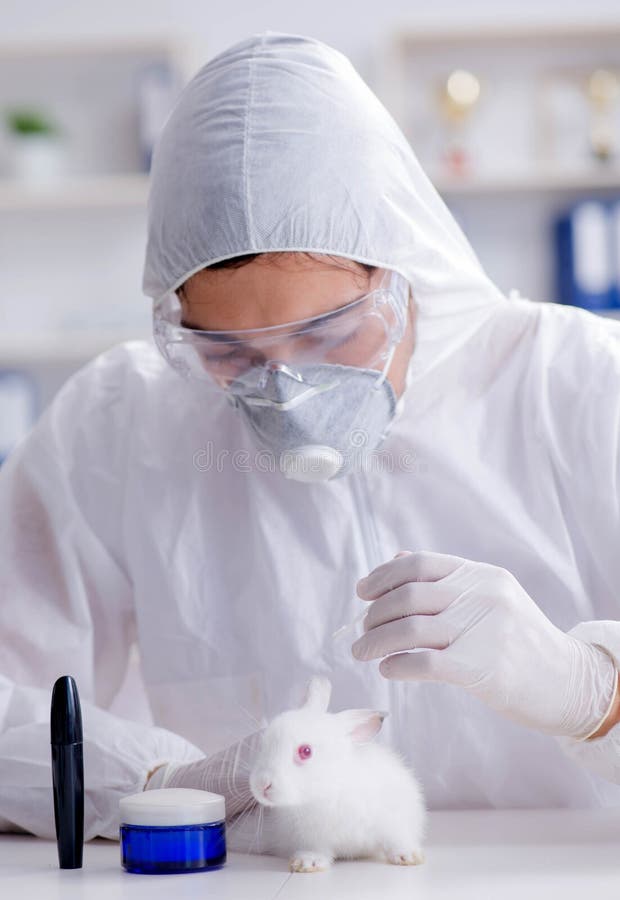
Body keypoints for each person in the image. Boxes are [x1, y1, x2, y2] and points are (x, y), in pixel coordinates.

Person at [2, 31, 620, 846]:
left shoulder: (577, 382)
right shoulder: (119, 423)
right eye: (231, 353)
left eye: (329, 335)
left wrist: (592, 696)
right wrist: (150, 783)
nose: (287, 392)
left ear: (401, 276)